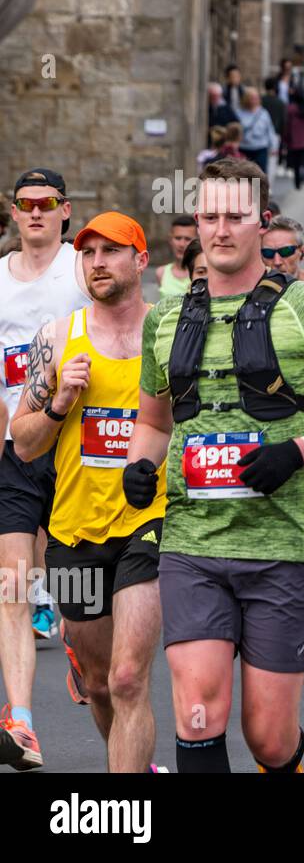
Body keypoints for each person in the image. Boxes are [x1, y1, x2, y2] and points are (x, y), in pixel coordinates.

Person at [123, 157, 304, 773]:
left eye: (235, 217)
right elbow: (155, 423)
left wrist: (300, 450)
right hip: (191, 544)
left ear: (261, 223)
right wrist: (141, 465)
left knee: (268, 738)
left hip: (283, 547)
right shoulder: (164, 318)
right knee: (198, 714)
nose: (220, 230)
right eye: (209, 216)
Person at [10, 212, 166, 772]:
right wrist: (56, 402)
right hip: (74, 530)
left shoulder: (167, 333)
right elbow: (23, 445)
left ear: (140, 261)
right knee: (100, 685)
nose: (98, 262)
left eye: (112, 251)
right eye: (89, 253)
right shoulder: (57, 340)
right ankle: (132, 762)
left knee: (128, 678)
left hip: (149, 521)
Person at [0, 168, 92, 769]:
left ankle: (83, 645)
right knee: (10, 581)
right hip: (20, 448)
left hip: (79, 449)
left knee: (78, 592)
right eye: (26, 204)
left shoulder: (83, 269)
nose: (36, 212)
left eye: (47, 203)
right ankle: (21, 721)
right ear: (13, 212)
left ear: (64, 211)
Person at [155, 215, 198, 299]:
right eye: (178, 238)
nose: (182, 244)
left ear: (196, 241)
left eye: (187, 239)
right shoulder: (161, 273)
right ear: (170, 240)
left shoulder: (203, 272)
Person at [283, 87, 304, 190]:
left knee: (297, 165)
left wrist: (286, 140)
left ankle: (298, 184)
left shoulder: (290, 109)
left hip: (296, 143)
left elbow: (287, 127)